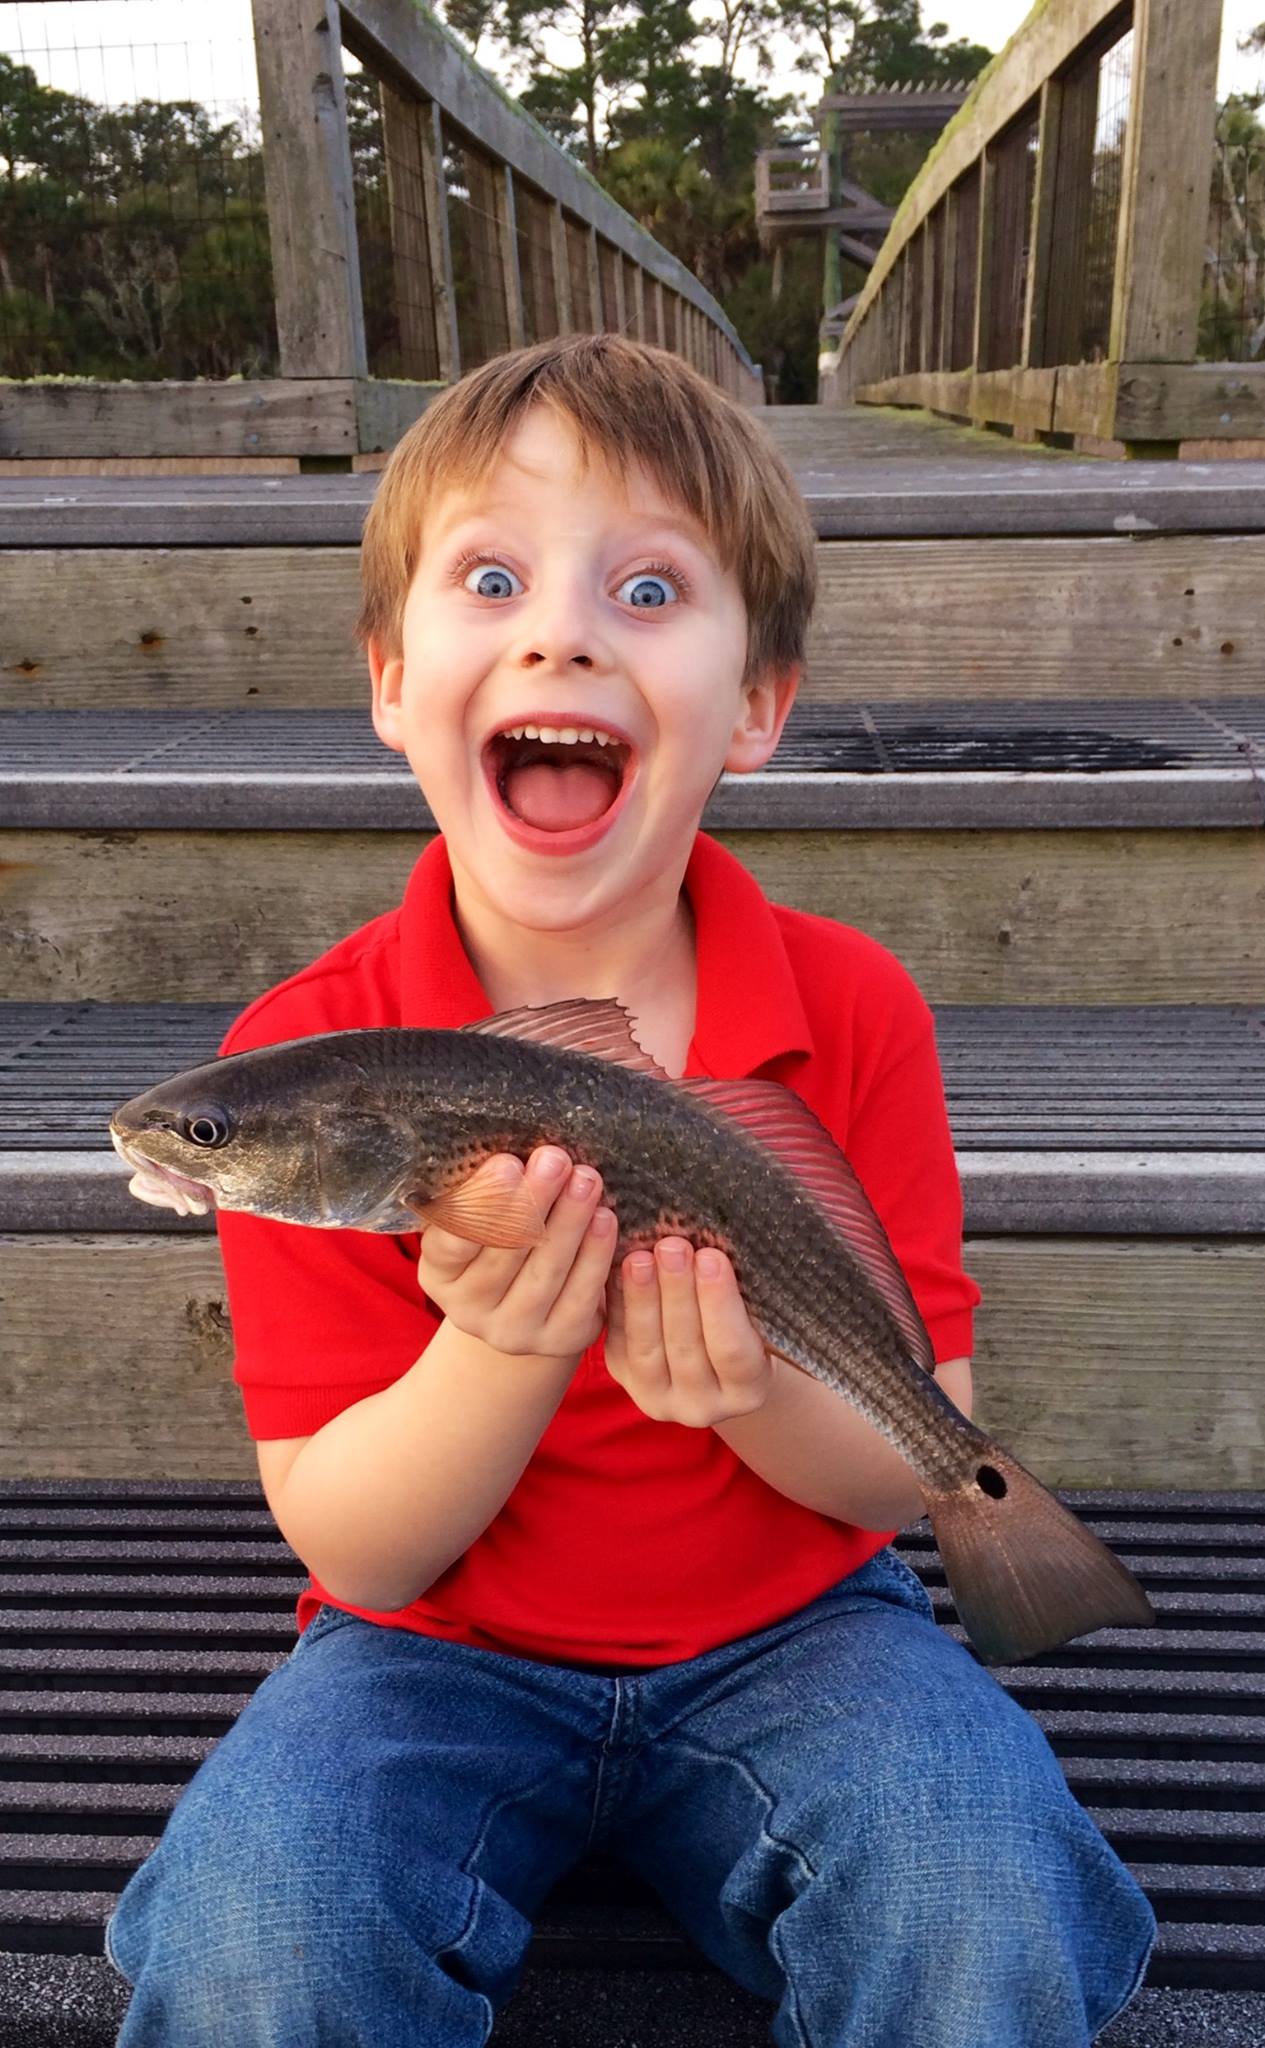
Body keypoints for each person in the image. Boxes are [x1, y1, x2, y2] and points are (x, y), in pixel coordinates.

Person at [103, 332, 1156, 2046]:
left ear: (755, 703)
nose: (560, 628)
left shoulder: (850, 1009)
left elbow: (909, 1460)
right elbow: (358, 1542)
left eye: (649, 586)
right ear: (386, 680)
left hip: (806, 1627)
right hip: (424, 1653)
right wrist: (503, 1351)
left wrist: (740, 1391)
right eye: (493, 576)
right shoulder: (313, 1051)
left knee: (977, 1877)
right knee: (264, 1925)